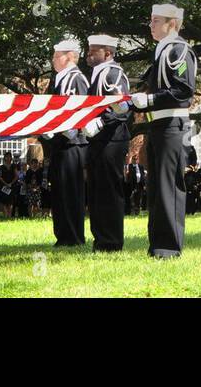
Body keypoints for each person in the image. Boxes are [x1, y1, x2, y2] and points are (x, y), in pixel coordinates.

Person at [129, 2, 198, 258]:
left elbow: (184, 90)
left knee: (168, 187)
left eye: (156, 21)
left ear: (172, 24)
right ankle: (157, 245)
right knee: (157, 188)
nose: (151, 25)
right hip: (159, 125)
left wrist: (149, 100)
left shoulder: (178, 50)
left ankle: (168, 248)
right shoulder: (162, 51)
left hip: (172, 125)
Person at [82, 34, 131, 252]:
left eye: (94, 50)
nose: (88, 54)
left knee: (109, 190)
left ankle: (111, 241)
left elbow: (122, 107)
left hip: (111, 139)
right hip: (98, 140)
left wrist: (100, 123)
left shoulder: (113, 73)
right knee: (96, 191)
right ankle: (100, 239)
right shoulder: (96, 74)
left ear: (108, 53)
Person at [43, 37, 89, 247]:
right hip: (61, 142)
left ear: (70, 56)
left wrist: (71, 130)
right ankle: (63, 235)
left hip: (73, 143)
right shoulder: (60, 79)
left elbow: (80, 109)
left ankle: (73, 237)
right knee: (60, 191)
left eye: (57, 55)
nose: (53, 59)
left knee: (71, 191)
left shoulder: (76, 79)